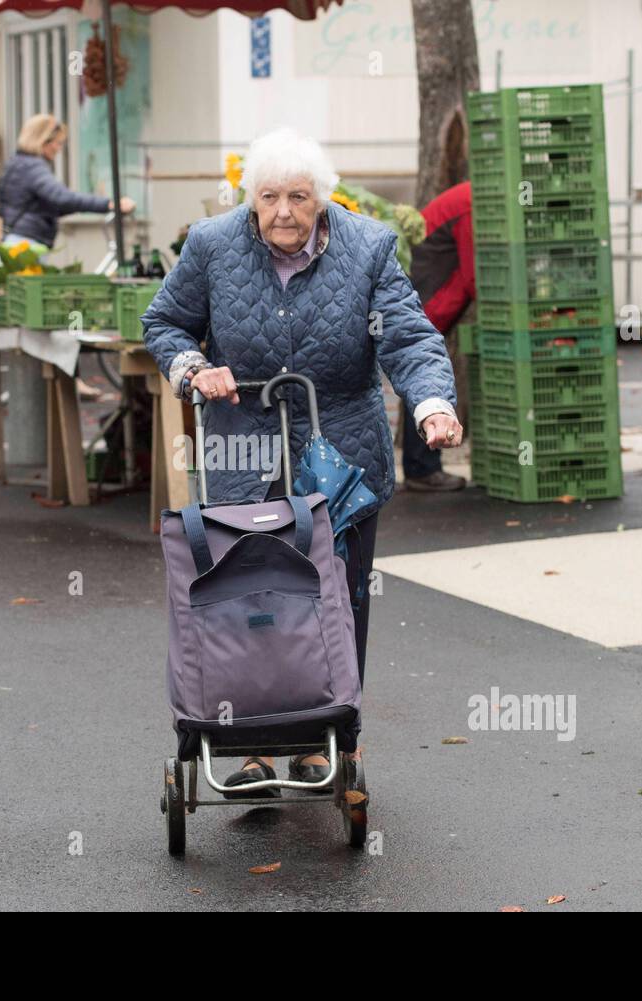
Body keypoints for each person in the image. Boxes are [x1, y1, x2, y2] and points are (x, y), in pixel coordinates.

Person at [143, 127, 463, 793]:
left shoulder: (369, 247)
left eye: (298, 196)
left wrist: (432, 402)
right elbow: (165, 323)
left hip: (339, 449)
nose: (284, 211)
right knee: (248, 598)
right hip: (242, 448)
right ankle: (247, 742)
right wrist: (194, 368)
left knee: (338, 597)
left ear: (323, 196)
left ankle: (329, 738)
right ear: (249, 199)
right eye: (269, 197)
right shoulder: (211, 245)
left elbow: (408, 334)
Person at [0, 113, 134, 403]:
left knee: (14, 316)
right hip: (27, 249)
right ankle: (67, 376)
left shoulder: (15, 164)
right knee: (52, 313)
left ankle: (67, 376)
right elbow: (60, 198)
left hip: (14, 243)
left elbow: (44, 204)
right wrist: (108, 204)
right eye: (57, 144)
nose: (59, 150)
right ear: (43, 141)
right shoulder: (34, 168)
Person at [404, 179, 475, 491]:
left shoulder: (467, 198)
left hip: (430, 301)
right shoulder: (472, 206)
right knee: (421, 379)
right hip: (428, 304)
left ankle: (421, 467)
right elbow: (475, 276)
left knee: (417, 378)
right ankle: (422, 469)